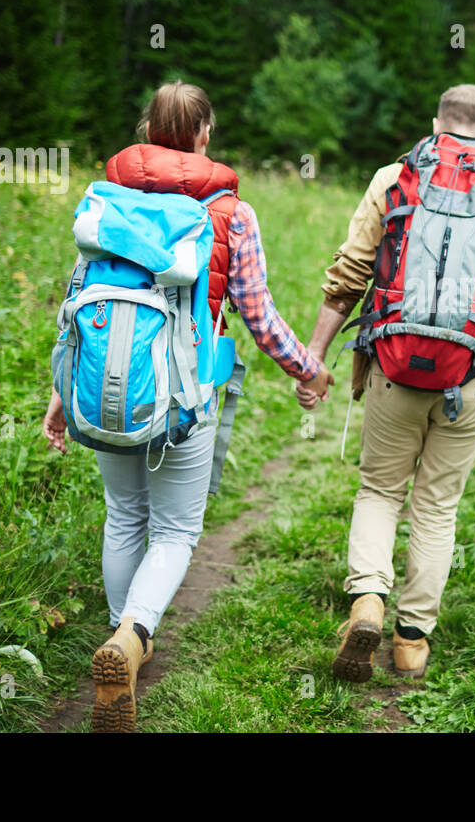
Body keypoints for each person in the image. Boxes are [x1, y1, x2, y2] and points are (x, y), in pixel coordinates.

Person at [41, 80, 332, 730]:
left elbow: (77, 310)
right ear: (204, 137)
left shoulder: (103, 202)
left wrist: (61, 396)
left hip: (104, 388)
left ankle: (123, 634)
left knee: (124, 515)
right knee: (175, 529)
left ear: (146, 133)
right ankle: (133, 639)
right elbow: (258, 316)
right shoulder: (232, 213)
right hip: (185, 394)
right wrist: (308, 370)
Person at [298, 84, 475, 681]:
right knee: (436, 507)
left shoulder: (393, 180)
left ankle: (366, 599)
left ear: (436, 122)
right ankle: (411, 640)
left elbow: (350, 274)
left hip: (392, 369)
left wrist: (314, 353)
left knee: (380, 492)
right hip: (470, 381)